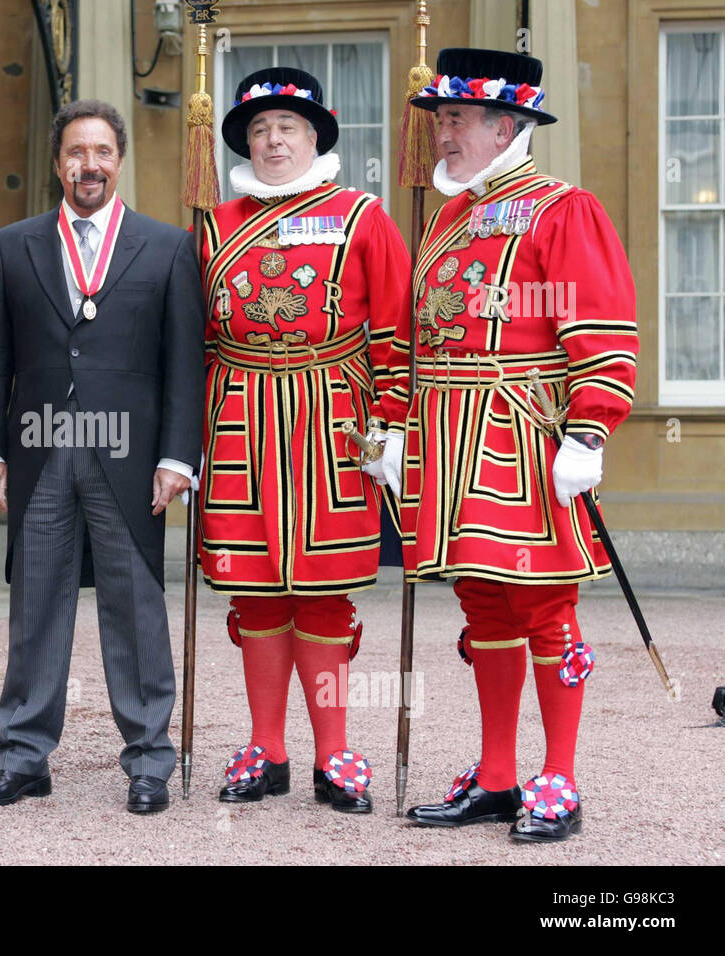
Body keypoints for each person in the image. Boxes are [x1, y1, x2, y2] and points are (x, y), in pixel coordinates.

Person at [375, 49, 638, 842]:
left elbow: (601, 326)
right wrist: (391, 425)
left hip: (521, 431)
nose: (441, 135)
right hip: (447, 436)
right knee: (482, 601)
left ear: (507, 125)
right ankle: (495, 776)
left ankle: (558, 775)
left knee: (542, 603)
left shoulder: (565, 208)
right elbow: (414, 336)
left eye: (455, 119)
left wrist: (589, 429)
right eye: (441, 119)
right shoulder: (451, 215)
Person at [0, 99, 205, 814]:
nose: (89, 164)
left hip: (129, 455)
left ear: (119, 160)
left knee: (135, 607)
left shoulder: (166, 247)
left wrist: (177, 457)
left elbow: (184, 365)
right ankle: (24, 757)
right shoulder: (14, 246)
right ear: (57, 163)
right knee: (36, 605)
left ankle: (148, 761)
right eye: (75, 152)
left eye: (101, 151)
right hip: (38, 448)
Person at [196, 68, 410, 813]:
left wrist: (391, 423)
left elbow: (394, 331)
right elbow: (194, 341)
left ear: (314, 136)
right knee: (256, 594)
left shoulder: (362, 216)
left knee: (321, 593)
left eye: (287, 127)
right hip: (237, 423)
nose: (274, 140)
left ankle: (334, 750)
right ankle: (268, 747)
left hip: (332, 422)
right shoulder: (214, 224)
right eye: (259, 129)